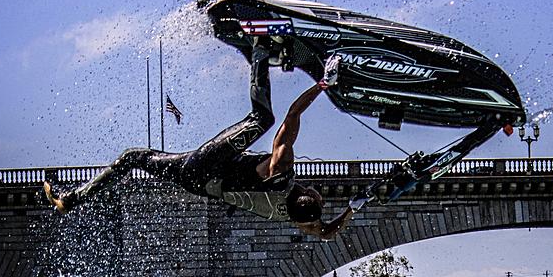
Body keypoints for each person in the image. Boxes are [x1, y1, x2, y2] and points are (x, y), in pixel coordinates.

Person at [44, 43, 365, 240]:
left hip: (207, 168)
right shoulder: (295, 216)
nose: (319, 194)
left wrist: (324, 84)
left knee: (262, 120)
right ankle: (70, 199)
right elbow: (325, 231)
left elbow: (293, 114)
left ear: (308, 196)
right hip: (197, 182)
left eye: (318, 196)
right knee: (131, 157)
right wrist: (351, 210)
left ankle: (259, 48)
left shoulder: (280, 172)